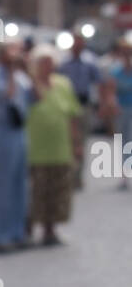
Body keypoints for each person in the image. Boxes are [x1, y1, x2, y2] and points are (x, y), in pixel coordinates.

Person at [25, 46, 83, 245]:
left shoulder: (63, 84)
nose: (47, 66)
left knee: (58, 191)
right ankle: (29, 226)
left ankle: (50, 229)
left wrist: (76, 143)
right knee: (36, 190)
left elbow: (72, 115)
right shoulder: (28, 86)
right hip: (35, 147)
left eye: (50, 62)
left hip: (59, 147)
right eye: (42, 62)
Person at [0, 43, 31, 254]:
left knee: (20, 184)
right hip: (3, 132)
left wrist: (25, 68)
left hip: (20, 131)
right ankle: (1, 236)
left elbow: (33, 93)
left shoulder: (21, 75)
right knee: (4, 186)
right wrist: (10, 71)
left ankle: (18, 232)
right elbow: (9, 93)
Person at [60, 33, 99, 189]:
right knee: (68, 140)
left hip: (83, 104)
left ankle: (78, 175)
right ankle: (69, 173)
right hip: (67, 105)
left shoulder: (90, 62)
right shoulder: (64, 63)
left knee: (81, 140)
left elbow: (98, 82)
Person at [103, 36, 132, 191]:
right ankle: (124, 174)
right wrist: (112, 104)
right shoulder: (116, 72)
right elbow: (111, 91)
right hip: (122, 109)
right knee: (123, 142)